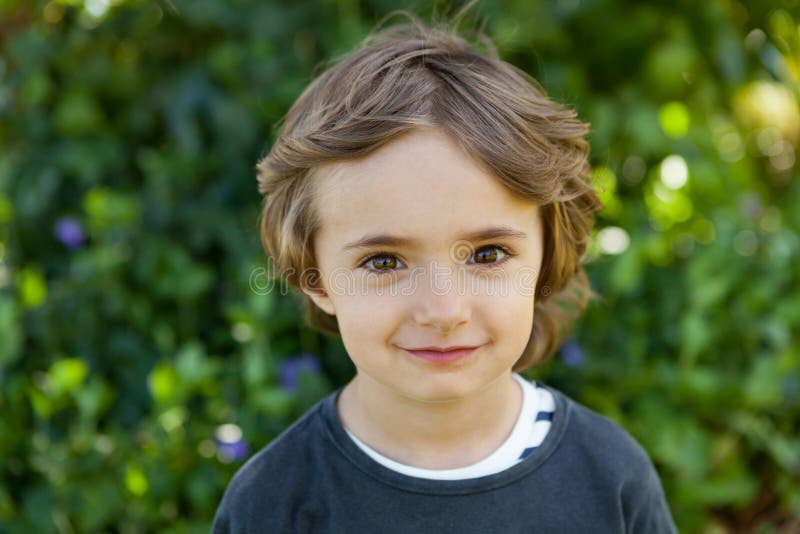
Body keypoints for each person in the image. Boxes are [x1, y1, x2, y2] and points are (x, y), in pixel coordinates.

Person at [212, 15, 677, 534]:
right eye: (384, 261)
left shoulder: (610, 477)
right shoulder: (273, 505)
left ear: (545, 258)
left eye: (488, 254)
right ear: (314, 277)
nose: (445, 311)